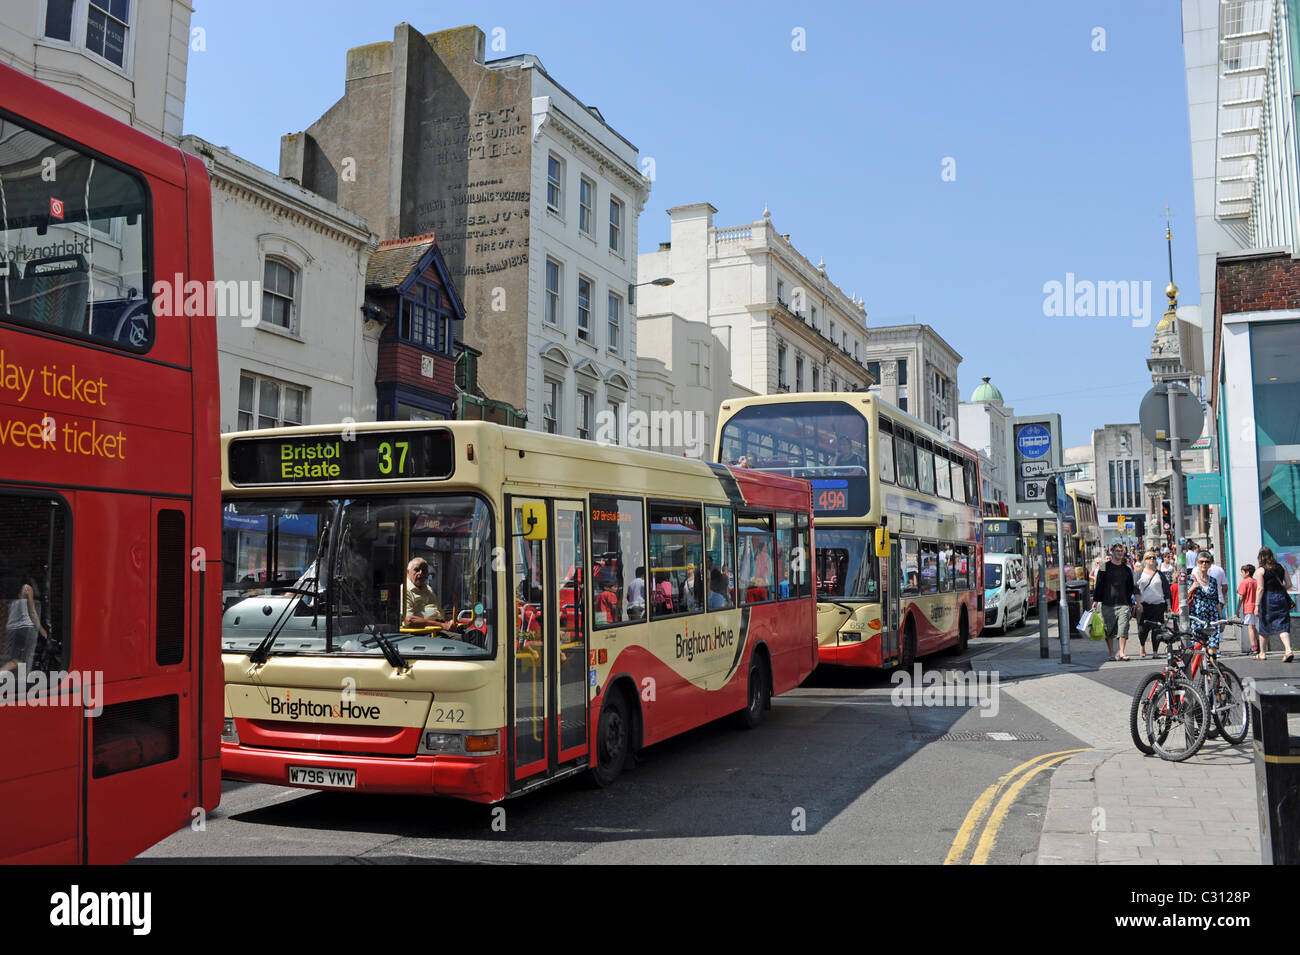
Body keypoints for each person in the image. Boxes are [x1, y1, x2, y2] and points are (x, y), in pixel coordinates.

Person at [1092, 543, 1138, 661]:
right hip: (1108, 603)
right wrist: (1096, 600)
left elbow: (1131, 587)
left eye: (1121, 551)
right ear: (1112, 552)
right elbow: (1098, 585)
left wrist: (1132, 602)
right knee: (1109, 630)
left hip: (1123, 603)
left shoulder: (1127, 569)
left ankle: (1122, 652)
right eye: (1117, 551)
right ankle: (1112, 653)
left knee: (1123, 629)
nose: (1120, 553)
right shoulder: (1104, 567)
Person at [1255, 547, 1294, 663]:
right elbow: (1289, 584)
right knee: (1283, 624)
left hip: (1267, 599)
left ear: (1260, 557)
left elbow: (1260, 588)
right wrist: (1280, 591)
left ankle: (1262, 653)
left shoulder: (1260, 571)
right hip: (1281, 598)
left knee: (1264, 624)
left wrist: (1256, 605)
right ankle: (1288, 650)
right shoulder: (1282, 567)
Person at [2, 576, 47, 673]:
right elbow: (32, 611)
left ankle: (19, 680)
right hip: (25, 628)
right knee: (23, 659)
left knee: (16, 659)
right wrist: (41, 629)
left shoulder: (12, 592)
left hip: (12, 629)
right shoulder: (27, 588)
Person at [1134, 552, 1172, 658]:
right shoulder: (1139, 573)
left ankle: (1155, 652)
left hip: (1158, 605)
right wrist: (1138, 603)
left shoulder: (1160, 574)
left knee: (1157, 629)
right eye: (1149, 557)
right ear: (1145, 560)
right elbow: (1135, 589)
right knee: (1142, 629)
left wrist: (1168, 606)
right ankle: (1142, 646)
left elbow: (1166, 591)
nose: (1151, 559)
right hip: (1143, 605)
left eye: (1153, 558)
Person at [1187, 553, 1222, 656]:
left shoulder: (1213, 581)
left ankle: (1211, 670)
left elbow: (1216, 601)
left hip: (1212, 618)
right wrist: (1192, 588)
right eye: (1201, 561)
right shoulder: (1191, 578)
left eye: (1207, 562)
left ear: (1210, 564)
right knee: (1197, 647)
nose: (1204, 564)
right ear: (1197, 563)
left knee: (1213, 646)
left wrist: (1221, 618)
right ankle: (1198, 670)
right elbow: (1184, 598)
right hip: (1197, 618)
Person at [403, 558, 446, 628]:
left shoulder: (428, 589)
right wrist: (442, 625)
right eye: (416, 570)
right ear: (408, 572)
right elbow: (409, 621)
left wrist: (447, 623)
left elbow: (439, 611)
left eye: (424, 571)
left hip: (437, 628)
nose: (421, 573)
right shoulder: (404, 590)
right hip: (421, 633)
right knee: (459, 638)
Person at [1238, 564, 1261, 659]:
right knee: (1254, 627)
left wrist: (1238, 608)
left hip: (1248, 607)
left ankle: (1254, 647)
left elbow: (1241, 596)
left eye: (1242, 572)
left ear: (1247, 573)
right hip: (1256, 607)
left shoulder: (1244, 582)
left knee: (1250, 627)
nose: (1241, 574)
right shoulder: (1256, 582)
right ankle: (1259, 645)